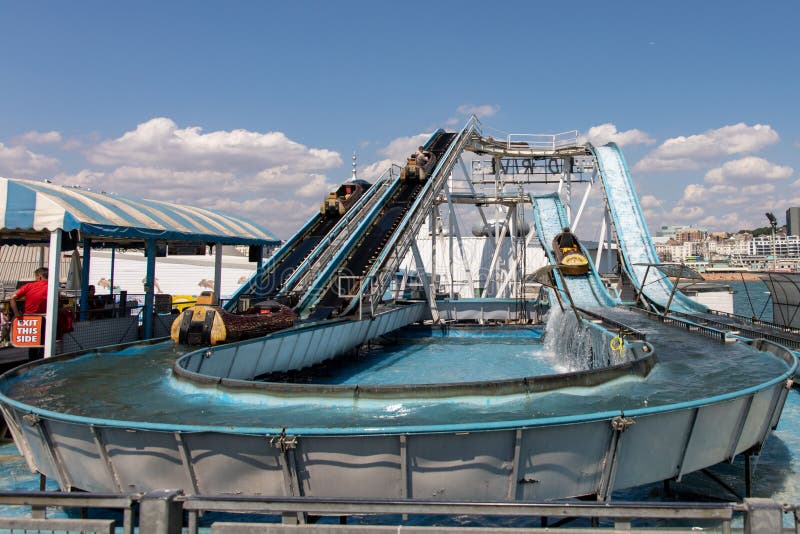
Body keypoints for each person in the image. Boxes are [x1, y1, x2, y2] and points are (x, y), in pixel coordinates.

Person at [9, 267, 49, 360]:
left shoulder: (29, 286)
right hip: (47, 319)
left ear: (39, 277)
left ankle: (33, 364)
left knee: (33, 346)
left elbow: (12, 298)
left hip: (30, 320)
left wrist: (16, 313)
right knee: (44, 343)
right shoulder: (52, 286)